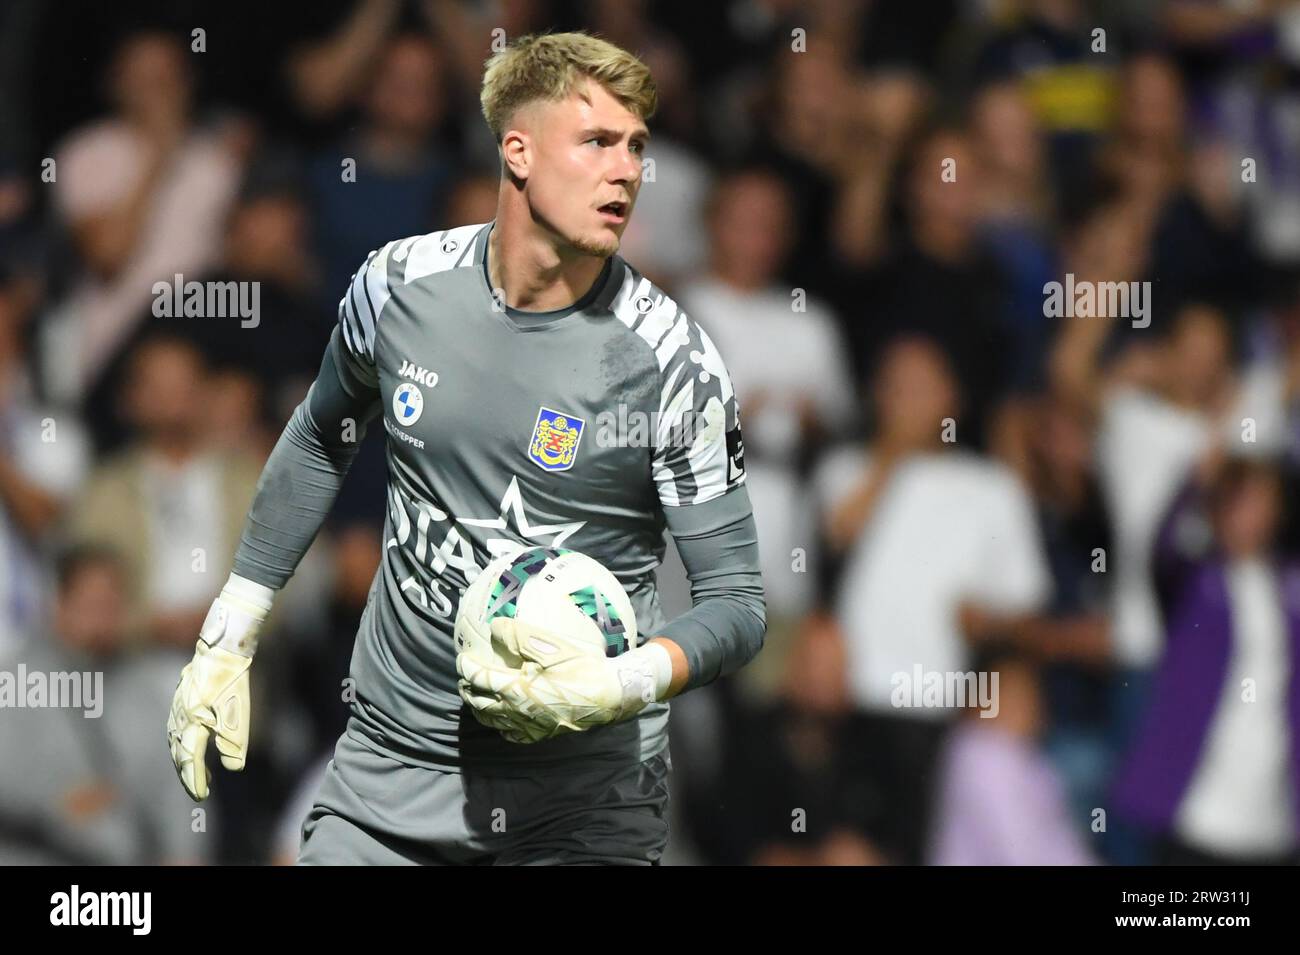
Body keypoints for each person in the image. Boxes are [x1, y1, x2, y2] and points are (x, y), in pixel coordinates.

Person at [166, 31, 766, 866]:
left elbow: (738, 603)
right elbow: (317, 440)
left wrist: (622, 680)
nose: (627, 171)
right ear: (516, 150)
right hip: (388, 777)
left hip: (580, 807)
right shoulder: (396, 287)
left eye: (636, 147)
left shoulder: (672, 362)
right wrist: (229, 631)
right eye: (596, 142)